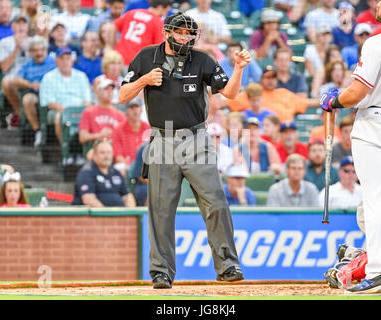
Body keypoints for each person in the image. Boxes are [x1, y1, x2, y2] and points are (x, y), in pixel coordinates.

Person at [118, 12, 251, 289]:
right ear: (166, 33)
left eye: (190, 33)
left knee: (216, 202)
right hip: (162, 139)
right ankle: (161, 272)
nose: (185, 37)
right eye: (180, 32)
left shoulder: (202, 59)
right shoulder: (146, 57)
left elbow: (231, 93)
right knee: (161, 210)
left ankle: (227, 265)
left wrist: (238, 68)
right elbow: (122, 95)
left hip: (196, 138)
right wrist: (144, 81)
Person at [319, 0, 381, 293]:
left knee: (375, 200)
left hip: (376, 123)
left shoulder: (377, 42)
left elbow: (358, 91)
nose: (378, 6)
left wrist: (334, 100)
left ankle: (378, 274)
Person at [39, 46, 92, 145]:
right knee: (60, 117)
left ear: (72, 61)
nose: (65, 62)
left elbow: (87, 101)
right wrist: (68, 112)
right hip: (60, 110)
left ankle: (86, 149)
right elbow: (50, 103)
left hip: (80, 110)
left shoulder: (81, 76)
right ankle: (65, 149)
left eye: (68, 58)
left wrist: (80, 112)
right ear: (56, 61)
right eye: (62, 58)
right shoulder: (48, 77)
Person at [226, 65, 317, 120]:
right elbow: (225, 103)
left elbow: (308, 102)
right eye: (267, 78)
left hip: (282, 134)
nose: (271, 81)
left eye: (273, 78)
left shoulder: (284, 93)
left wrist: (329, 102)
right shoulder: (253, 93)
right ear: (261, 79)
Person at [13, 35, 56, 148]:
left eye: (42, 50)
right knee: (27, 99)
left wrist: (45, 85)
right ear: (31, 52)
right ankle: (38, 130)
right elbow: (16, 80)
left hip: (52, 94)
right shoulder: (27, 64)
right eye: (35, 50)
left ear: (46, 50)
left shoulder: (53, 62)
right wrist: (30, 84)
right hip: (35, 94)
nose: (39, 53)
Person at [72, 139, 136, 207]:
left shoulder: (116, 172)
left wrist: (130, 212)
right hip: (94, 216)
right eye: (102, 152)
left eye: (109, 152)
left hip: (118, 215)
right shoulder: (86, 172)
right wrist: (107, 215)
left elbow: (127, 196)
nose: (106, 156)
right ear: (94, 155)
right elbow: (89, 199)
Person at [78, 77, 126, 160]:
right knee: (91, 155)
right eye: (106, 89)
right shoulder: (89, 112)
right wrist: (99, 135)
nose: (109, 92)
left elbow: (126, 138)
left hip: (116, 149)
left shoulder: (120, 115)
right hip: (97, 148)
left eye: (111, 90)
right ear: (98, 92)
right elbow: (82, 137)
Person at [114, 0, 172, 67]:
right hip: (136, 62)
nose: (166, 14)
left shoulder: (133, 12)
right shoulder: (157, 22)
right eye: (166, 11)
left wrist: (110, 45)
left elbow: (112, 27)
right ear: (160, 7)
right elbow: (158, 47)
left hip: (118, 58)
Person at [111, 97, 150, 174]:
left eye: (137, 107)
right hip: (126, 165)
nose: (134, 110)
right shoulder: (118, 129)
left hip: (144, 165)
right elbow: (118, 156)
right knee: (120, 167)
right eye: (131, 107)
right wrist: (132, 166)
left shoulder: (148, 128)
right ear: (126, 111)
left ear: (141, 109)